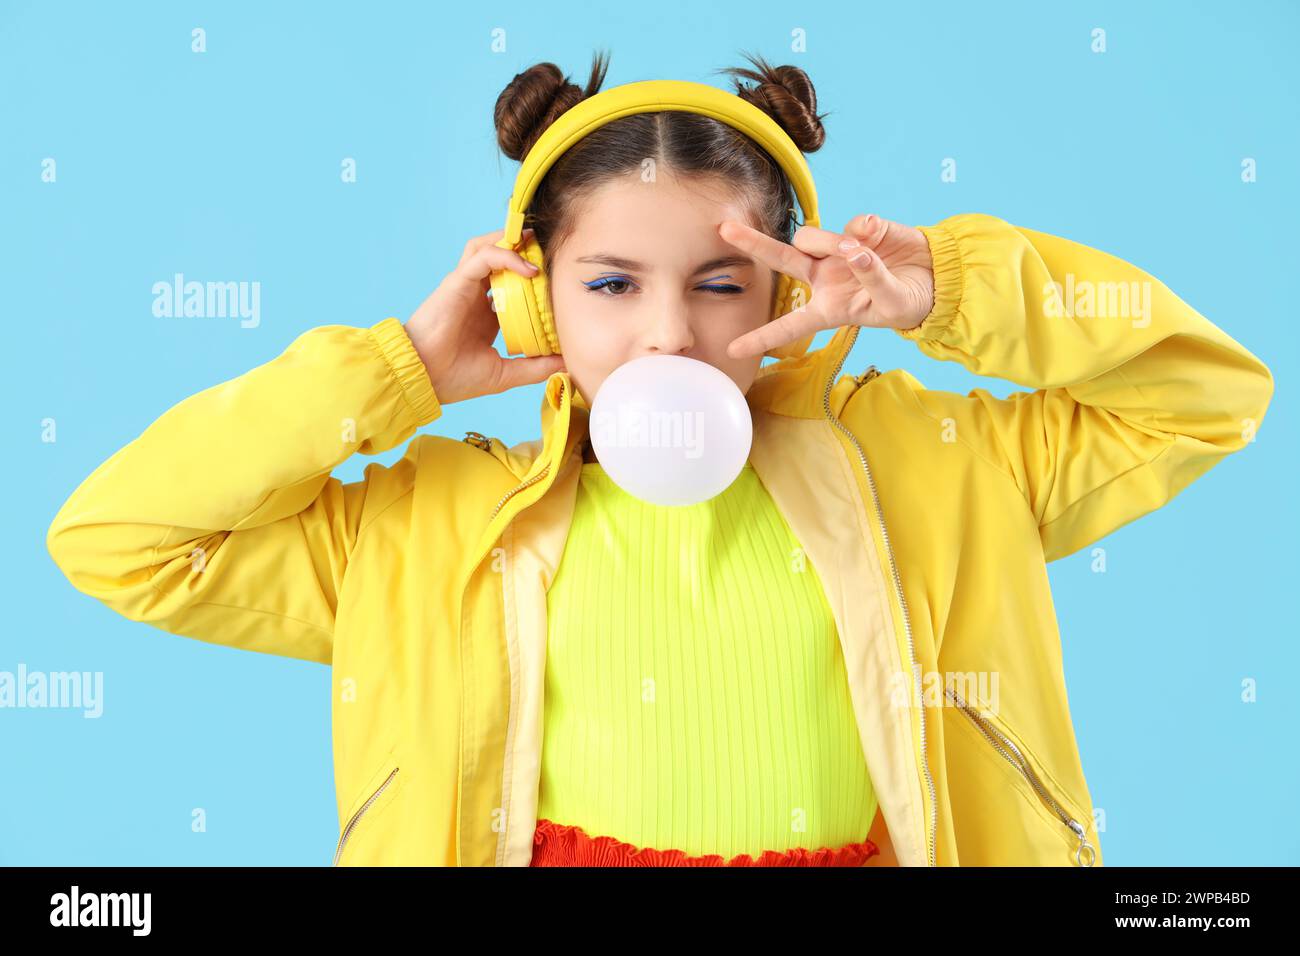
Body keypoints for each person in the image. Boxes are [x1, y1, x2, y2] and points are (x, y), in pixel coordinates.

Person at [46, 51, 1274, 867]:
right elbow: (119, 539)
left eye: (722, 282)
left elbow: (1201, 395)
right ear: (532, 302)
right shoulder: (426, 524)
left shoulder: (936, 465)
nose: (670, 330)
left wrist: (949, 289)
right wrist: (394, 374)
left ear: (790, 289)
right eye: (612, 282)